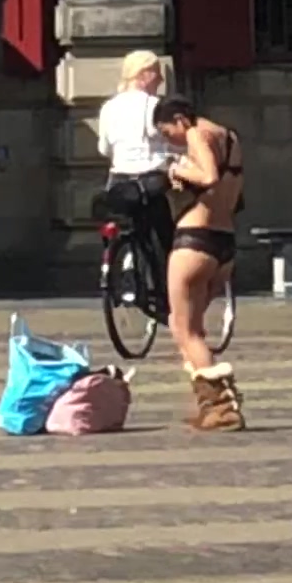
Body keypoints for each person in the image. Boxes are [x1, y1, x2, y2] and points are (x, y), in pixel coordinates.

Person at [152, 95, 245, 433]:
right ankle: (208, 405)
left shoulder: (196, 133)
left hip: (195, 240)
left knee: (184, 330)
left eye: (168, 132)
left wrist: (175, 169)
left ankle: (222, 408)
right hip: (224, 242)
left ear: (180, 120)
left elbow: (208, 177)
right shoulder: (230, 138)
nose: (172, 141)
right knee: (192, 328)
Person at [96, 50, 174, 276]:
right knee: (166, 235)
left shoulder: (109, 107)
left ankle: (115, 262)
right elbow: (170, 142)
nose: (161, 79)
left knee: (120, 225)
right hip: (149, 181)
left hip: (118, 180)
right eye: (157, 73)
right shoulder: (154, 105)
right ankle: (168, 282)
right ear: (143, 74)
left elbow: (104, 149)